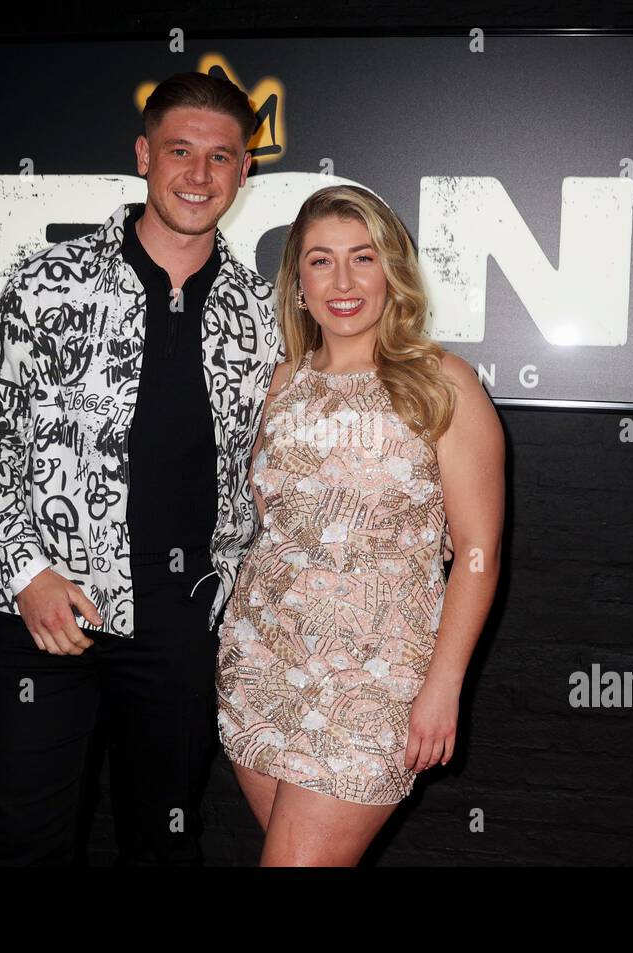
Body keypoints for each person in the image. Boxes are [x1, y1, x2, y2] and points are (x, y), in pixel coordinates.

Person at [0, 71, 282, 865]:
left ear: (243, 172)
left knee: (162, 842)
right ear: (143, 155)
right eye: (180, 151)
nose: (199, 176)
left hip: (183, 627)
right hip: (49, 616)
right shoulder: (50, 280)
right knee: (24, 838)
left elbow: (282, 462)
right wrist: (26, 572)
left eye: (221, 158)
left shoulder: (261, 313)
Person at [216, 184, 505, 865]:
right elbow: (271, 524)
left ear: (392, 271)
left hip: (378, 681)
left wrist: (443, 685)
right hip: (259, 665)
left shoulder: (442, 382)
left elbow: (478, 551)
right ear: (297, 280)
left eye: (363, 258)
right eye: (321, 261)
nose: (343, 282)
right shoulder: (282, 383)